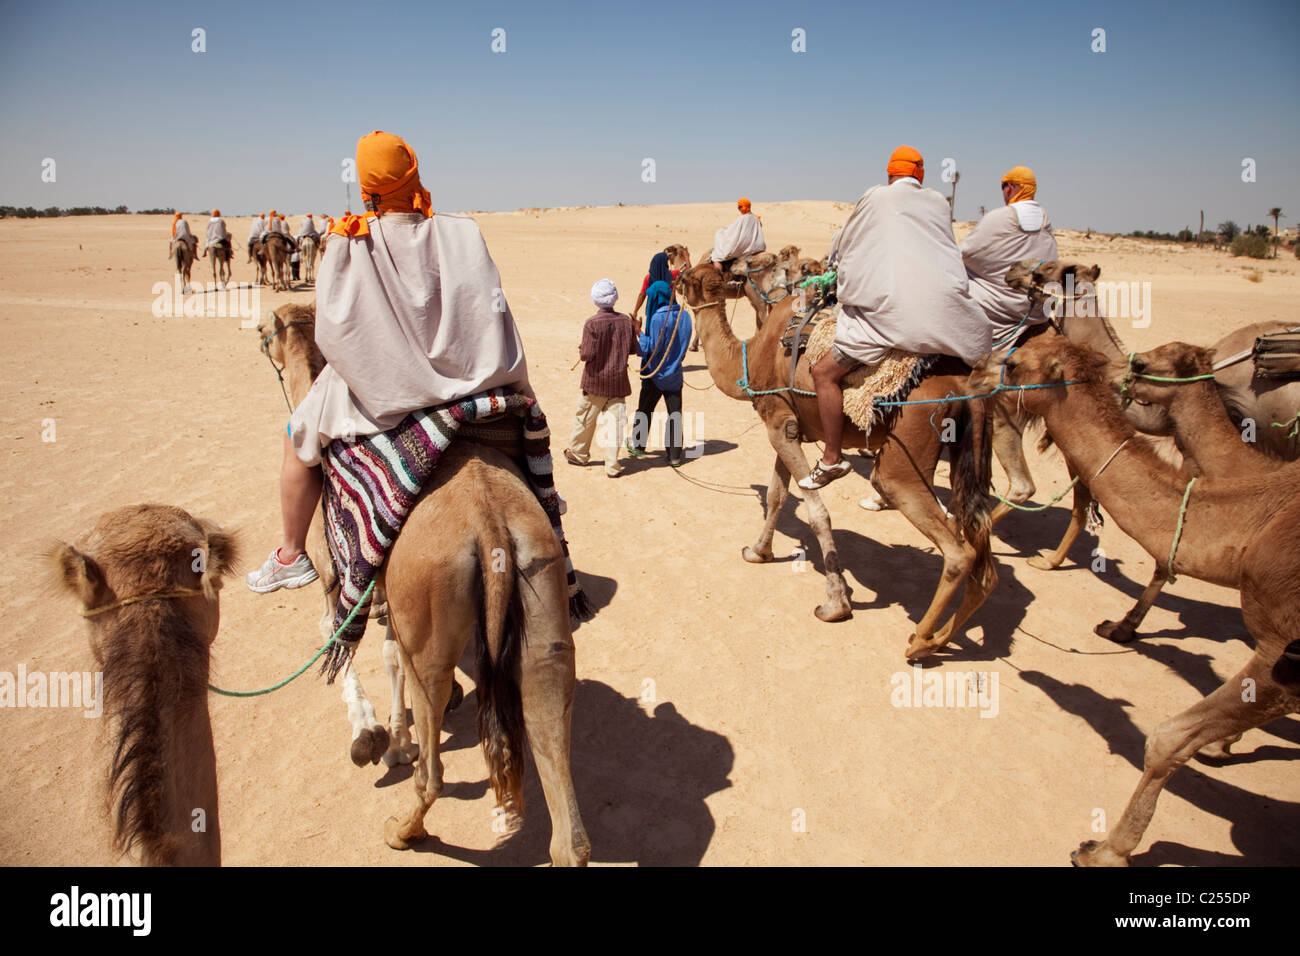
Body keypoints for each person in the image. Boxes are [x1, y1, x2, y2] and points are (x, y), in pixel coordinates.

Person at [246, 130, 533, 592]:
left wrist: (387, 372)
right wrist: (518, 379)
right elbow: (492, 309)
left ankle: (292, 553)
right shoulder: (463, 231)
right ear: (415, 173)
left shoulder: (348, 240)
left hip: (383, 392)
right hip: (472, 378)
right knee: (528, 426)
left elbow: (336, 332)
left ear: (366, 188)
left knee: (297, 439)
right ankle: (548, 505)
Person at [798, 145, 992, 490]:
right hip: (948, 318)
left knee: (822, 372)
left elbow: (849, 246)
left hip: (894, 319)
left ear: (890, 175)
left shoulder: (876, 197)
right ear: (920, 176)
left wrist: (844, 281)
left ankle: (831, 457)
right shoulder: (937, 202)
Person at [960, 165, 1058, 345]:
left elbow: (963, 254)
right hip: (1038, 311)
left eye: (1003, 186)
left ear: (1010, 188)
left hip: (1002, 310)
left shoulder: (1000, 217)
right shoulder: (1045, 219)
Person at [564, 279, 638, 477]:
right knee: (616, 425)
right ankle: (612, 465)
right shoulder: (626, 321)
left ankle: (579, 453)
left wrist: (582, 348)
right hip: (618, 382)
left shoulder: (592, 323)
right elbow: (633, 349)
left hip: (595, 382)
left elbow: (586, 355)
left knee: (585, 419)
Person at [628, 260, 693, 467]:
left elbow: (649, 348)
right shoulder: (685, 316)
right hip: (675, 374)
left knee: (645, 407)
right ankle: (674, 455)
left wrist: (638, 331)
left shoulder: (656, 318)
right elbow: (683, 345)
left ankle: (638, 445)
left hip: (655, 374)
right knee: (675, 413)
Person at [709, 197, 765, 273]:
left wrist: (721, 232)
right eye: (738, 207)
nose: (739, 209)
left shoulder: (743, 218)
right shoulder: (755, 218)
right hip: (755, 247)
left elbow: (733, 232)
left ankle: (719, 276)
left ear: (745, 206)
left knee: (716, 257)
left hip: (744, 247)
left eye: (740, 207)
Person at [630, 246, 686, 321]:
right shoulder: (673, 275)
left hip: (653, 312)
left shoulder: (648, 278)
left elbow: (642, 295)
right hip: (670, 311)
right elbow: (687, 271)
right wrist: (686, 256)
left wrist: (635, 312)